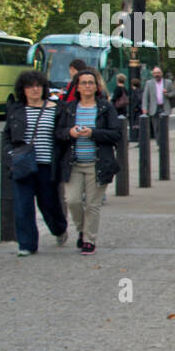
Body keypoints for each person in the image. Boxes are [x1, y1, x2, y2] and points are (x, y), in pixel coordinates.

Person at [2, 69, 69, 255]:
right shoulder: (16, 111)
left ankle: (59, 228)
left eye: (38, 86)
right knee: (23, 207)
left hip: (46, 165)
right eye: (30, 86)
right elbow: (7, 136)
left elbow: (62, 137)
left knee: (49, 204)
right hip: (22, 165)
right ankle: (27, 245)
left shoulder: (56, 109)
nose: (34, 89)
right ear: (22, 89)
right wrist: (9, 155)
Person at [56, 67, 121, 256]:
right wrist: (70, 132)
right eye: (83, 83)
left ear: (96, 87)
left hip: (97, 163)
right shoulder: (68, 108)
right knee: (73, 200)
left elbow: (116, 134)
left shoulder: (105, 107)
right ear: (76, 87)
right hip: (73, 163)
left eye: (90, 83)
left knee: (92, 204)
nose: (87, 86)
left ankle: (89, 240)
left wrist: (93, 133)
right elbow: (58, 133)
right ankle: (82, 231)